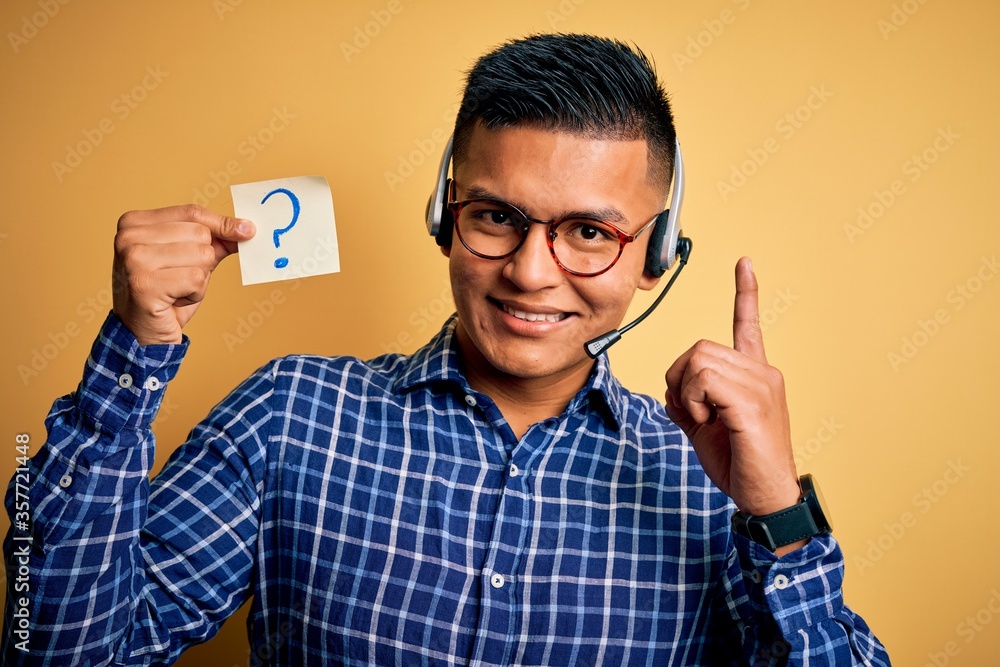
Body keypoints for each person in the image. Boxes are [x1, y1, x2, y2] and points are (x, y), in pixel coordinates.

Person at [3, 34, 889, 665]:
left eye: (589, 231)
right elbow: (64, 652)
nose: (533, 273)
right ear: (444, 215)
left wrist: (776, 506)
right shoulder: (291, 417)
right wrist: (132, 357)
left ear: (656, 256)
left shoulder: (716, 484)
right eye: (497, 217)